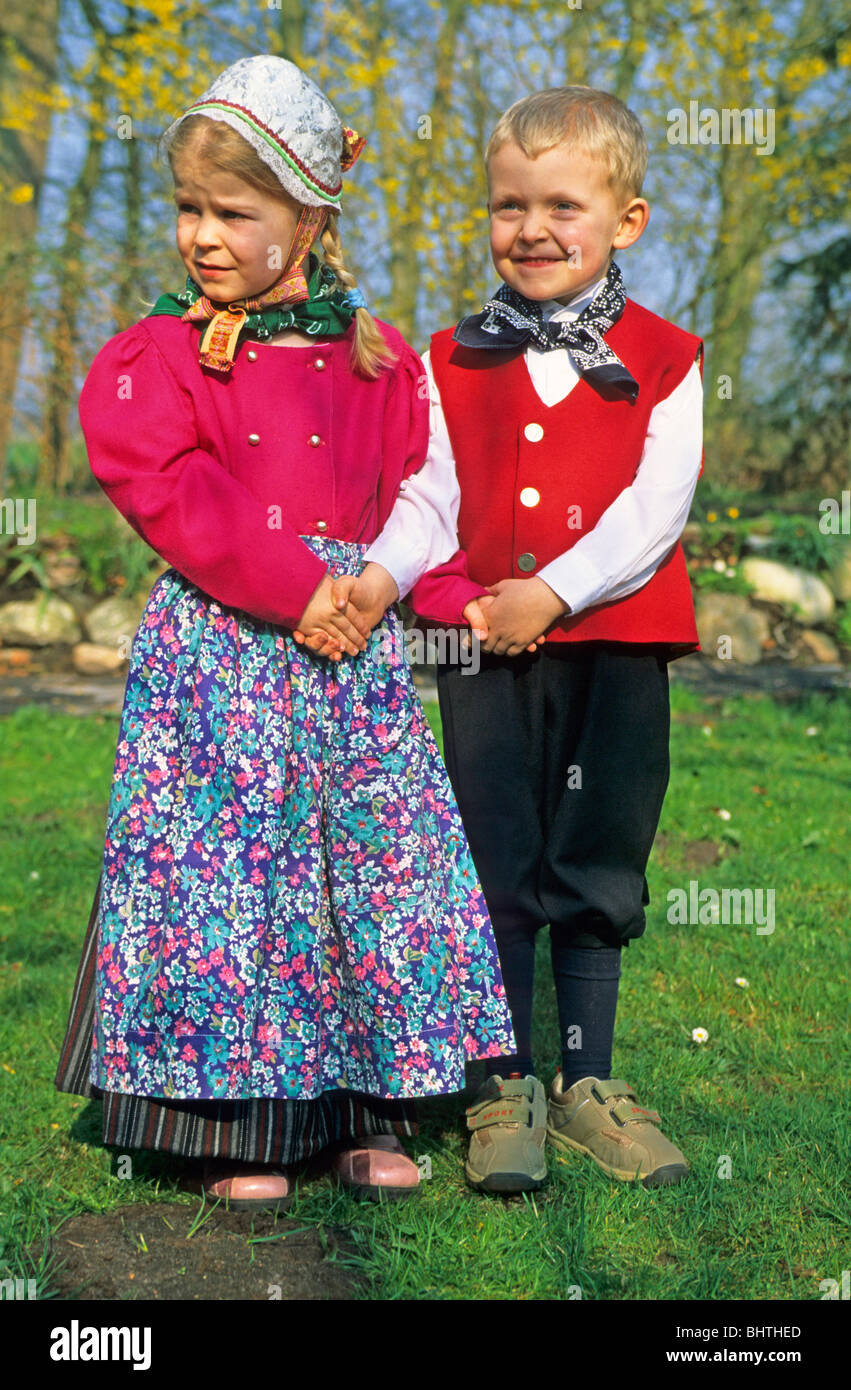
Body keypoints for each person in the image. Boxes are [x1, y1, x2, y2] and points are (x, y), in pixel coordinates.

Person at [54, 54, 514, 1211]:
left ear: (306, 217)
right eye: (187, 210)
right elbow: (163, 484)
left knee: (362, 872)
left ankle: (366, 1110)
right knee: (227, 877)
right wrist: (285, 582)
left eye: (231, 212)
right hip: (224, 656)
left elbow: (423, 491)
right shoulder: (155, 356)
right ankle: (235, 1123)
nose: (202, 235)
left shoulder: (375, 355)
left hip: (348, 659)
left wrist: (417, 588)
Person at [405, 87, 704, 1192]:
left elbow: (653, 508)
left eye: (561, 205)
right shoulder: (450, 357)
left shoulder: (666, 357)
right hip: (482, 648)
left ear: (624, 220)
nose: (531, 228)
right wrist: (414, 583)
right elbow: (430, 496)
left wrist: (557, 591)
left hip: (613, 644)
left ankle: (587, 1084)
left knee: (597, 849)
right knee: (490, 848)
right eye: (506, 205)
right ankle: (501, 1088)